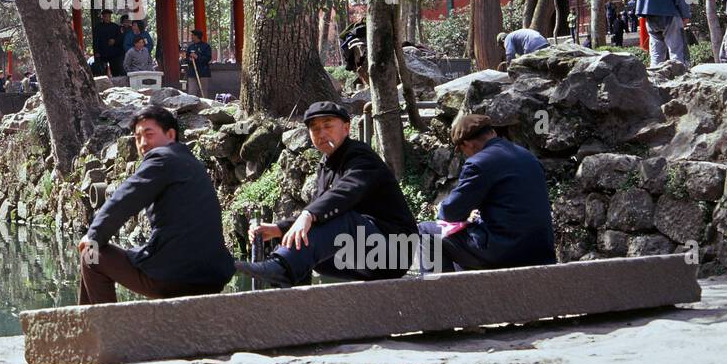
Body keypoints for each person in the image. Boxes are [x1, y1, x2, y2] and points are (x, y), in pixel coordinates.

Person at [237, 101, 419, 286]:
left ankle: (280, 267)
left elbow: (344, 193)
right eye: (315, 129)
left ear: (346, 128)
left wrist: (308, 214)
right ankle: (288, 291)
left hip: (395, 251)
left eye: (328, 125)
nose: (321, 133)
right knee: (308, 242)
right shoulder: (326, 165)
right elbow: (320, 214)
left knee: (340, 218)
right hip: (363, 251)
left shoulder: (360, 156)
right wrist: (278, 229)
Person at [78, 106, 235, 304]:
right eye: (137, 137)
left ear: (170, 134)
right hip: (213, 277)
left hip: (175, 277)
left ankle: (107, 329)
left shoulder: (161, 158)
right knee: (98, 252)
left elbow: (124, 200)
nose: (143, 143)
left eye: (149, 134)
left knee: (90, 255)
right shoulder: (190, 162)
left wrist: (93, 236)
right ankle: (86, 326)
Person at [417, 113, 555, 272]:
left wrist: (445, 209)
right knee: (461, 248)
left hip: (506, 250)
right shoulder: (527, 156)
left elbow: (451, 212)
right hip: (540, 249)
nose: (464, 155)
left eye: (462, 150)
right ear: (492, 132)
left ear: (467, 144)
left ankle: (436, 295)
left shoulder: (479, 163)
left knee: (426, 231)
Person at [91, 8, 123, 76]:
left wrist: (114, 41)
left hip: (114, 53)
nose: (107, 18)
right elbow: (95, 40)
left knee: (115, 72)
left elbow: (120, 38)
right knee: (101, 71)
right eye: (105, 16)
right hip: (102, 53)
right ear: (102, 17)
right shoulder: (98, 27)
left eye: (109, 16)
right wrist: (96, 51)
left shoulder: (116, 27)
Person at [182, 28, 212, 95]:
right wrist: (189, 59)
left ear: (197, 36)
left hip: (203, 72)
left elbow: (208, 58)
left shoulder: (206, 46)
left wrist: (197, 57)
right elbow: (187, 58)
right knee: (191, 91)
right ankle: (192, 104)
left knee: (203, 91)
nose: (191, 37)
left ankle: (204, 104)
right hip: (192, 72)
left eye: (193, 35)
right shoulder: (190, 47)